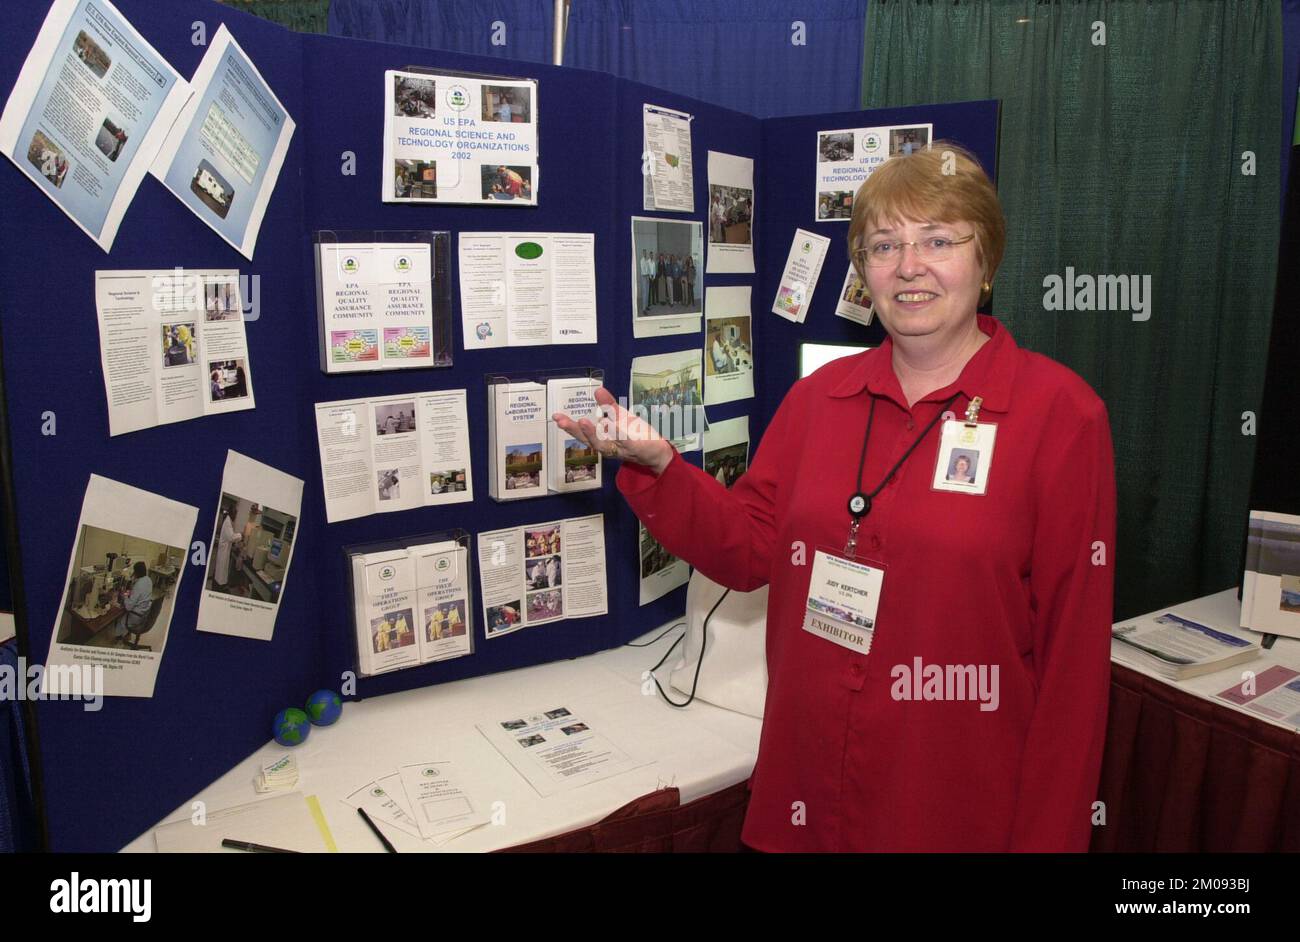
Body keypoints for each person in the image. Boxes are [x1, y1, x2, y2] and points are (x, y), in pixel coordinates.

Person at [554, 142, 1116, 852]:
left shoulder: (1060, 418)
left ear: (987, 260)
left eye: (938, 240)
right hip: (810, 796)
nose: (910, 266)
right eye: (885, 245)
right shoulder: (820, 399)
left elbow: (1073, 676)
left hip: (953, 807)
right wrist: (661, 467)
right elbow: (750, 550)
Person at [113, 562, 154, 644]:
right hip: (145, 611)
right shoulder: (148, 579)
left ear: (136, 572)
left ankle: (118, 638)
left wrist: (124, 595)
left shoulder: (139, 584)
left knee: (121, 621)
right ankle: (128, 634)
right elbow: (138, 594)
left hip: (137, 615)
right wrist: (129, 592)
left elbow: (128, 607)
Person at [213, 503, 240, 589]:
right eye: (235, 514)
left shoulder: (228, 521)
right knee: (221, 573)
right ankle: (218, 588)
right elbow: (231, 537)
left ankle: (219, 585)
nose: (236, 516)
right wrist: (241, 535)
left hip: (224, 550)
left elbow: (230, 536)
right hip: (223, 551)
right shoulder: (228, 522)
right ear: (232, 513)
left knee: (221, 572)